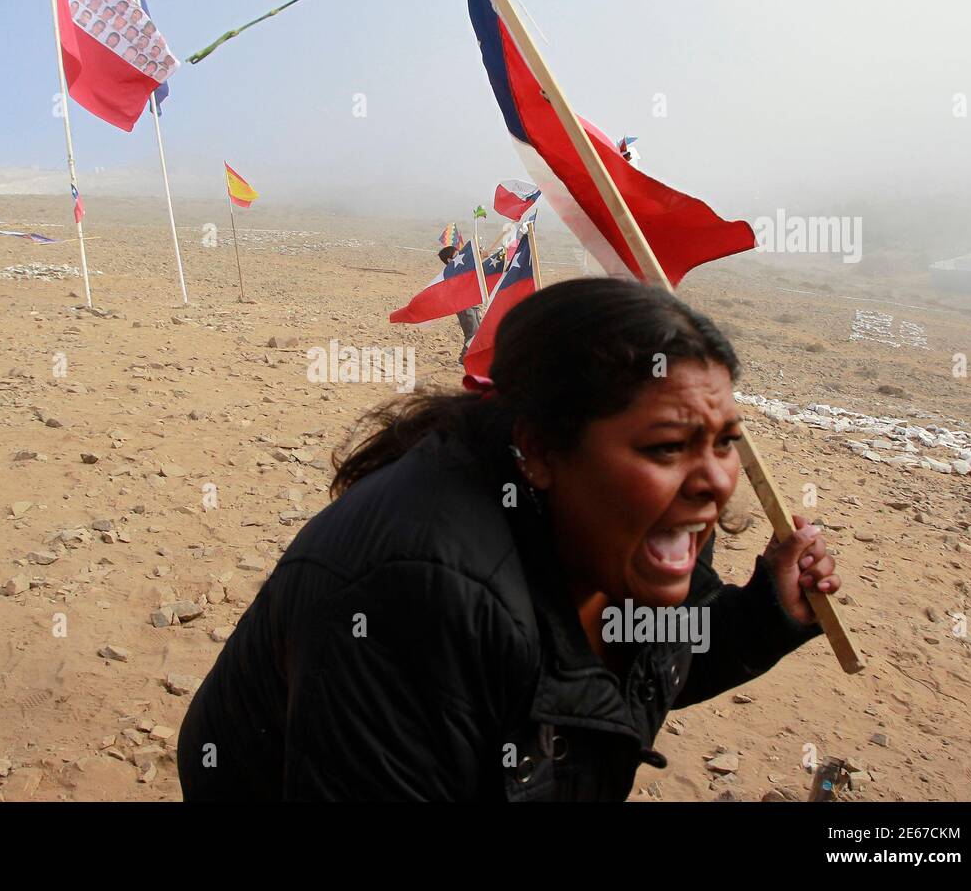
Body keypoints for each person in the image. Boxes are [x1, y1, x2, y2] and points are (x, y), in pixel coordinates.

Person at [177, 278, 836, 801]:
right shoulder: (419, 592)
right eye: (667, 446)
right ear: (541, 450)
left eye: (726, 441)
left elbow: (632, 667)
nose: (715, 483)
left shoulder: (648, 528)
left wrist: (763, 615)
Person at [437, 242, 481, 361]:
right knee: (472, 333)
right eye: (458, 255)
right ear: (450, 260)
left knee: (478, 331)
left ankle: (470, 357)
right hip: (464, 306)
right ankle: (464, 359)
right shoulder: (452, 272)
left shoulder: (460, 268)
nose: (461, 256)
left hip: (472, 303)